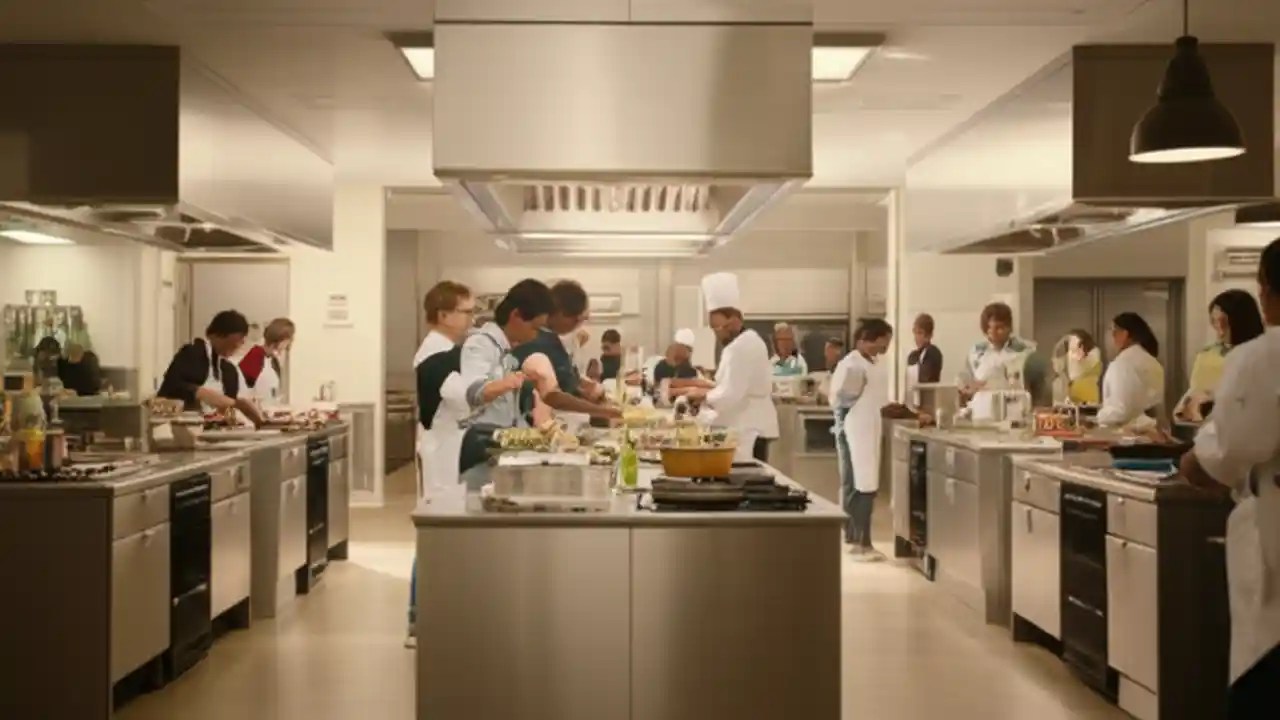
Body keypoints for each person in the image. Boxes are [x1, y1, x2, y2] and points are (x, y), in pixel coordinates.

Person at [1179, 237, 1280, 717]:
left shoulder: (1260, 357)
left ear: (1267, 292)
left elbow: (1229, 452)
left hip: (1272, 535)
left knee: (1263, 671)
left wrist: (1193, 462)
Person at [406, 281, 522, 649]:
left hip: (454, 448)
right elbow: (468, 397)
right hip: (443, 452)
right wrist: (506, 383)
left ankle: (441, 613)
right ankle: (417, 619)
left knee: (448, 532)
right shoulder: (435, 356)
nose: (473, 319)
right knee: (435, 534)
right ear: (443, 315)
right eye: (467, 311)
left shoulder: (452, 349)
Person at [830, 319, 926, 559]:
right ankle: (859, 542)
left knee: (865, 483)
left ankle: (859, 539)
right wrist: (845, 431)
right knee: (860, 484)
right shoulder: (853, 365)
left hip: (869, 428)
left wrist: (911, 413)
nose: (884, 348)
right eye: (881, 343)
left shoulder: (873, 363)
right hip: (855, 430)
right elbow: (842, 405)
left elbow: (880, 404)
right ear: (866, 339)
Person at [456, 279, 555, 488]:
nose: (535, 335)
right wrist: (512, 381)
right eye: (535, 327)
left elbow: (508, 413)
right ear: (516, 316)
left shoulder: (505, 352)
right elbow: (475, 393)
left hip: (501, 447)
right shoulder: (480, 343)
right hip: (482, 446)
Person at [683, 272, 778, 463]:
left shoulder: (742, 347)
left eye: (718, 328)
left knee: (750, 484)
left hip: (750, 430)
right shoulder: (747, 342)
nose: (717, 335)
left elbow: (730, 394)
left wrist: (701, 396)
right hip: (746, 426)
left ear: (734, 320)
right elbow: (728, 385)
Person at [510, 280, 621, 422]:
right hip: (534, 420)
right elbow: (554, 396)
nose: (576, 327)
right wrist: (602, 411)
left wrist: (582, 386)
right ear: (562, 314)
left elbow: (565, 379)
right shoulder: (538, 341)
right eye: (576, 320)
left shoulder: (549, 339)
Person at [157, 310, 264, 427]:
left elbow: (228, 409)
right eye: (239, 338)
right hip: (184, 428)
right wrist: (207, 395)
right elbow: (172, 387)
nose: (241, 343)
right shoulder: (193, 353)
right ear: (218, 335)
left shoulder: (228, 369)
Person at [1176, 290, 1266, 422]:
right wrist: (1185, 407)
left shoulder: (1263, 354)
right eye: (1214, 321)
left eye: (1223, 322)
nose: (1220, 329)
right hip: (1207, 427)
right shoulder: (1206, 356)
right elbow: (1193, 392)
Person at [1095, 312, 1165, 429]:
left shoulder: (1122, 364)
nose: (1110, 340)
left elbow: (1120, 411)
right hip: (1152, 431)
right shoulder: (1151, 361)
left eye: (1113, 332)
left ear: (1124, 334)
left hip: (1129, 434)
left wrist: (1098, 417)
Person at [239, 318, 295, 405]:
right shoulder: (255, 355)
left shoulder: (274, 360)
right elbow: (239, 388)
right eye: (288, 340)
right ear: (281, 339)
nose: (288, 344)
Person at [905, 313, 943, 407]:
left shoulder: (933, 352)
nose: (917, 337)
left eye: (920, 333)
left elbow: (926, 378)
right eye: (915, 332)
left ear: (929, 335)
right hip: (913, 401)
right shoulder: (913, 356)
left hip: (928, 402)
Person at [1065, 329, 1103, 405]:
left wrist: (1083, 356)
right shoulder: (1070, 354)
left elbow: (1089, 364)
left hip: (1090, 393)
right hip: (1074, 391)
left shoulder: (1094, 352)